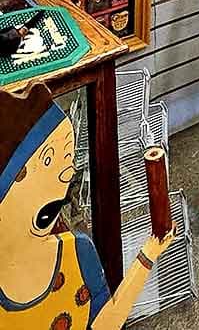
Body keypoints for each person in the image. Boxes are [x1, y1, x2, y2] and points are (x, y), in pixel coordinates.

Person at [0, 83, 174, 330]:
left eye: (67, 160)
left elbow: (103, 324)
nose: (67, 175)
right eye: (48, 160)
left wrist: (149, 253)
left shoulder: (76, 254)